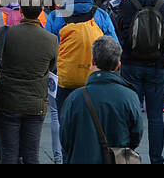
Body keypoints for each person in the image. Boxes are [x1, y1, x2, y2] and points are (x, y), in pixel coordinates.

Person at [113, 0, 164, 163]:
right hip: (157, 66)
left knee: (130, 113)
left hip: (131, 64)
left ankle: (128, 155)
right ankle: (156, 159)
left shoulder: (127, 5)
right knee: (156, 116)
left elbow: (122, 33)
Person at [0, 0, 59, 165]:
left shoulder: (5, 33)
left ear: (20, 9)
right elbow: (51, 66)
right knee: (31, 154)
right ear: (42, 10)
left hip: (8, 101)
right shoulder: (51, 39)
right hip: (35, 103)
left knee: (8, 153)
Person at [59, 36, 143, 164]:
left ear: (93, 61)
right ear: (118, 65)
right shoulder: (130, 96)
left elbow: (65, 139)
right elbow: (136, 136)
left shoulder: (74, 98)